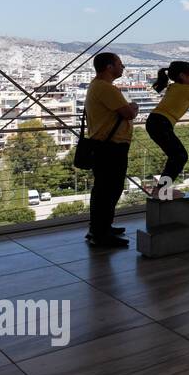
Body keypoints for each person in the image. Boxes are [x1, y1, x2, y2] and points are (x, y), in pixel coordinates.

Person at [84, 51, 138, 247]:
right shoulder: (106, 88)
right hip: (111, 147)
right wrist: (134, 106)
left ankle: (101, 227)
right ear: (109, 67)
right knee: (110, 189)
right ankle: (101, 232)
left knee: (103, 189)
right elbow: (128, 114)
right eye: (120, 63)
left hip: (102, 146)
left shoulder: (95, 85)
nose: (122, 67)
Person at [147, 61, 189, 198]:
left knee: (176, 156)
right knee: (179, 156)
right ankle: (160, 191)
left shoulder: (176, 87)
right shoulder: (185, 90)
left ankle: (161, 189)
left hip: (156, 122)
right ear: (183, 76)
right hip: (161, 123)